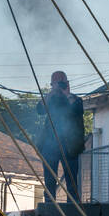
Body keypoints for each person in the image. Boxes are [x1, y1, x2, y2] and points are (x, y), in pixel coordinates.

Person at [35, 70, 85, 202]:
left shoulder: (75, 100)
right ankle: (49, 204)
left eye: (61, 83)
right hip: (50, 145)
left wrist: (66, 94)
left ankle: (73, 205)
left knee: (71, 178)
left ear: (67, 83)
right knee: (49, 178)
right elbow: (39, 110)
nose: (58, 86)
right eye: (55, 83)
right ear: (52, 85)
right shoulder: (51, 100)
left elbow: (78, 110)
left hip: (70, 146)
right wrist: (51, 93)